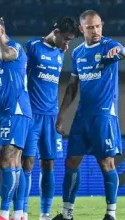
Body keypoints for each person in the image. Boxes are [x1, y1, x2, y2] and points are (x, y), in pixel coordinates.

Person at [53, 10, 125, 220]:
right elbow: (72, 88)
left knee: (106, 163)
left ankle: (111, 214)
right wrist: (61, 115)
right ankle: (67, 213)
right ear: (82, 29)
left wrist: (120, 49)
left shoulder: (109, 45)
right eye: (90, 27)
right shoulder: (78, 53)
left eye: (98, 26)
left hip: (104, 116)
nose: (95, 30)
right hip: (82, 116)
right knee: (71, 161)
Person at [22, 17, 78, 220]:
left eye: (70, 40)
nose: (67, 44)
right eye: (65, 39)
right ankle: (22, 212)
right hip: (31, 116)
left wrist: (59, 117)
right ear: (55, 32)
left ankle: (45, 214)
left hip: (50, 117)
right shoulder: (32, 47)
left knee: (49, 164)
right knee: (26, 163)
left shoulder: (60, 54)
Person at [0, 17, 32, 220]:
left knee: (6, 160)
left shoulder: (13, 47)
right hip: (7, 113)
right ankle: (19, 213)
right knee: (14, 164)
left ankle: (3, 213)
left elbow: (6, 54)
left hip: (16, 110)